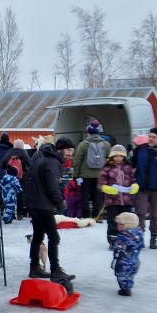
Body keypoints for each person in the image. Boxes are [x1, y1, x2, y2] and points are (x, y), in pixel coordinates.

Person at [22, 135, 77, 281]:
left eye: (72, 151)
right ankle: (55, 270)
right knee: (54, 237)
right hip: (41, 204)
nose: (70, 154)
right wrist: (60, 202)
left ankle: (34, 268)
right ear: (60, 149)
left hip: (34, 202)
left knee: (38, 235)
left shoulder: (43, 157)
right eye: (69, 150)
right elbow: (52, 187)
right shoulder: (52, 162)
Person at [98, 144, 138, 247]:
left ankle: (126, 239)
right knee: (113, 220)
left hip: (126, 200)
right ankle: (113, 240)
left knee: (126, 221)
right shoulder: (107, 168)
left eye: (121, 156)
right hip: (112, 200)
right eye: (116, 156)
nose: (118, 158)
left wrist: (135, 186)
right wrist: (107, 188)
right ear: (112, 156)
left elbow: (133, 179)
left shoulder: (129, 168)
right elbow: (101, 183)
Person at [72, 120, 111, 218]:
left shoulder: (83, 144)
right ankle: (97, 215)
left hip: (85, 175)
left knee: (85, 196)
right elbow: (110, 160)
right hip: (100, 175)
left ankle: (85, 215)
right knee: (98, 196)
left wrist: (75, 175)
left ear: (88, 133)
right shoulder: (106, 144)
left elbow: (77, 161)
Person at [110, 212, 144, 296]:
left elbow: (119, 249)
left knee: (121, 274)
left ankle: (125, 289)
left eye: (120, 224)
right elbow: (141, 245)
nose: (117, 226)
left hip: (124, 261)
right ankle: (128, 285)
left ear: (127, 225)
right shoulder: (138, 234)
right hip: (135, 260)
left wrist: (115, 257)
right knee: (130, 274)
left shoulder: (123, 237)